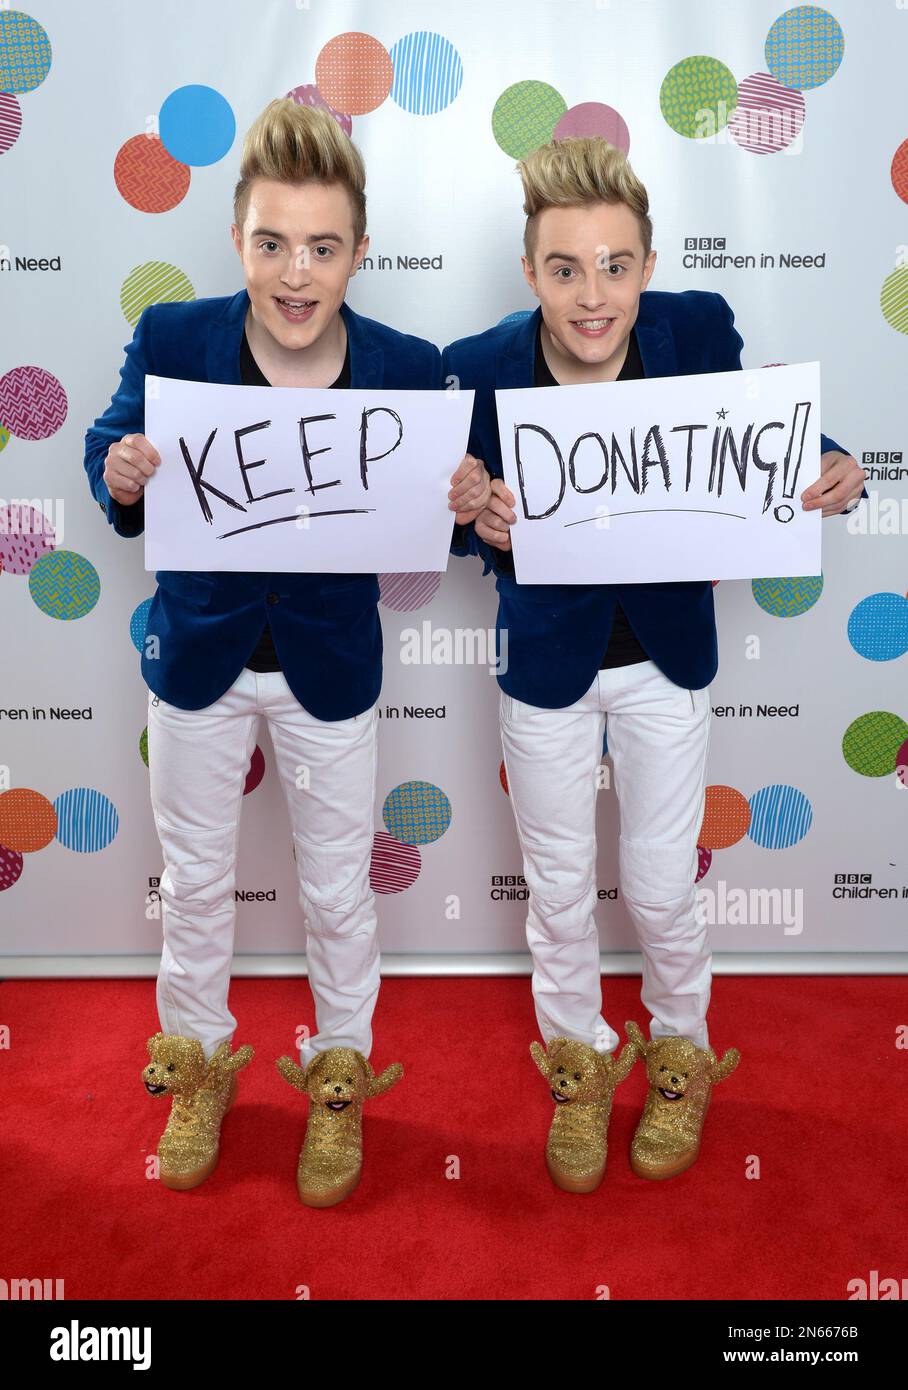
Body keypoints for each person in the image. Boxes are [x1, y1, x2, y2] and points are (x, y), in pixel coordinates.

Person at [84, 98, 490, 1204]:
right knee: (198, 882)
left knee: (337, 890)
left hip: (327, 668)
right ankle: (203, 1071)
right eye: (273, 244)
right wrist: (117, 471)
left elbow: (441, 520)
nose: (296, 273)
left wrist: (461, 503)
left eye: (321, 247)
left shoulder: (407, 367)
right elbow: (109, 440)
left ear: (359, 250)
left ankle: (337, 1076)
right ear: (237, 241)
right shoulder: (176, 339)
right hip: (199, 661)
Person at [446, 136, 867, 1192]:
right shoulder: (485, 364)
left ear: (645, 262)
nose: (593, 296)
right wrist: (476, 521)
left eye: (615, 265)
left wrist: (832, 464)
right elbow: (451, 522)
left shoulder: (693, 328)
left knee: (659, 884)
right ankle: (579, 1066)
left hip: (664, 658)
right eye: (564, 268)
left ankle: (679, 1049)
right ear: (529, 269)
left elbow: (759, 443)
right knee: (553, 888)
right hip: (542, 657)